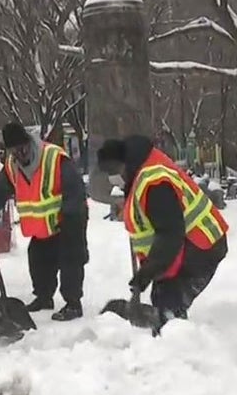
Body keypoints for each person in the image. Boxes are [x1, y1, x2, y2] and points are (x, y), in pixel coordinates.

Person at [95, 135, 229, 329]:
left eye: (113, 172)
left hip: (201, 244)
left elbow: (169, 233)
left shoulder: (154, 182)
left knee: (168, 305)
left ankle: (176, 345)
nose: (113, 179)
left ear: (123, 164)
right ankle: (166, 332)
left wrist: (146, 273)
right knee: (162, 297)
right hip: (185, 243)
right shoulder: (141, 172)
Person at [0, 123, 88, 321]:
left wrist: (70, 215)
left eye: (22, 148)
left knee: (70, 260)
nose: (20, 153)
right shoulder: (12, 164)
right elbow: (2, 187)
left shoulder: (53, 157)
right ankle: (44, 297)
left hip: (67, 220)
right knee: (38, 261)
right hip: (42, 226)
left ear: (29, 142)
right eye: (14, 150)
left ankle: (73, 303)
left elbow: (75, 188)